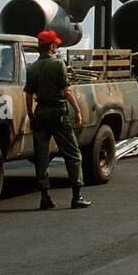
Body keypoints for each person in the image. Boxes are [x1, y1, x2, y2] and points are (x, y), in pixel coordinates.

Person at [24, 30, 90, 209]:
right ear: (52, 46)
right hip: (58, 113)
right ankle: (77, 196)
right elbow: (67, 90)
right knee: (73, 153)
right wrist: (77, 111)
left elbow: (29, 94)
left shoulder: (32, 68)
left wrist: (31, 115)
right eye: (56, 44)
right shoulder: (58, 64)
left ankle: (45, 197)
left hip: (41, 113)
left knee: (41, 156)